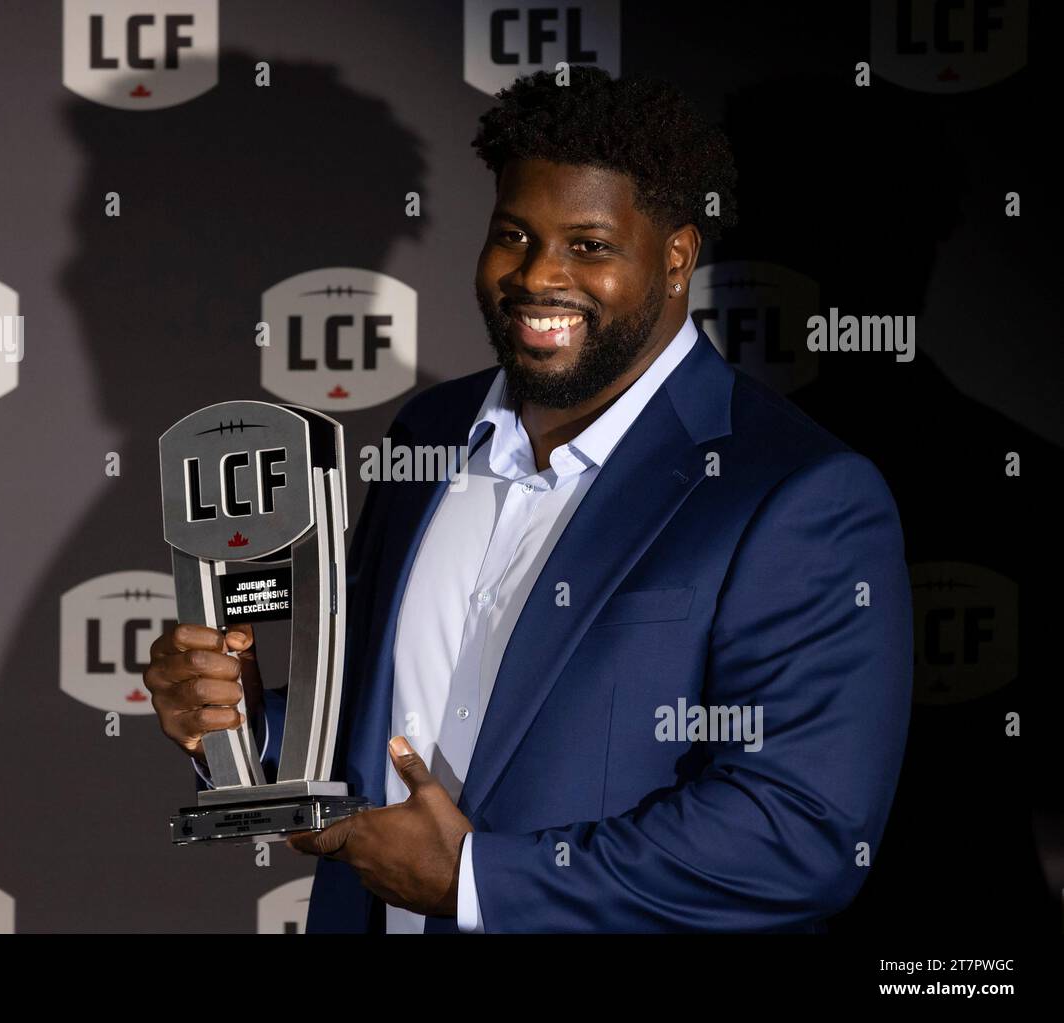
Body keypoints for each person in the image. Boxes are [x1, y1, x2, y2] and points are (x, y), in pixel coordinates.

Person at [143, 67, 912, 933]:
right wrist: (240, 722)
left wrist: (478, 880)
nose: (539, 275)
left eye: (589, 245)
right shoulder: (429, 430)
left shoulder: (797, 493)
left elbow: (798, 834)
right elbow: (380, 727)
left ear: (676, 256)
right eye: (515, 234)